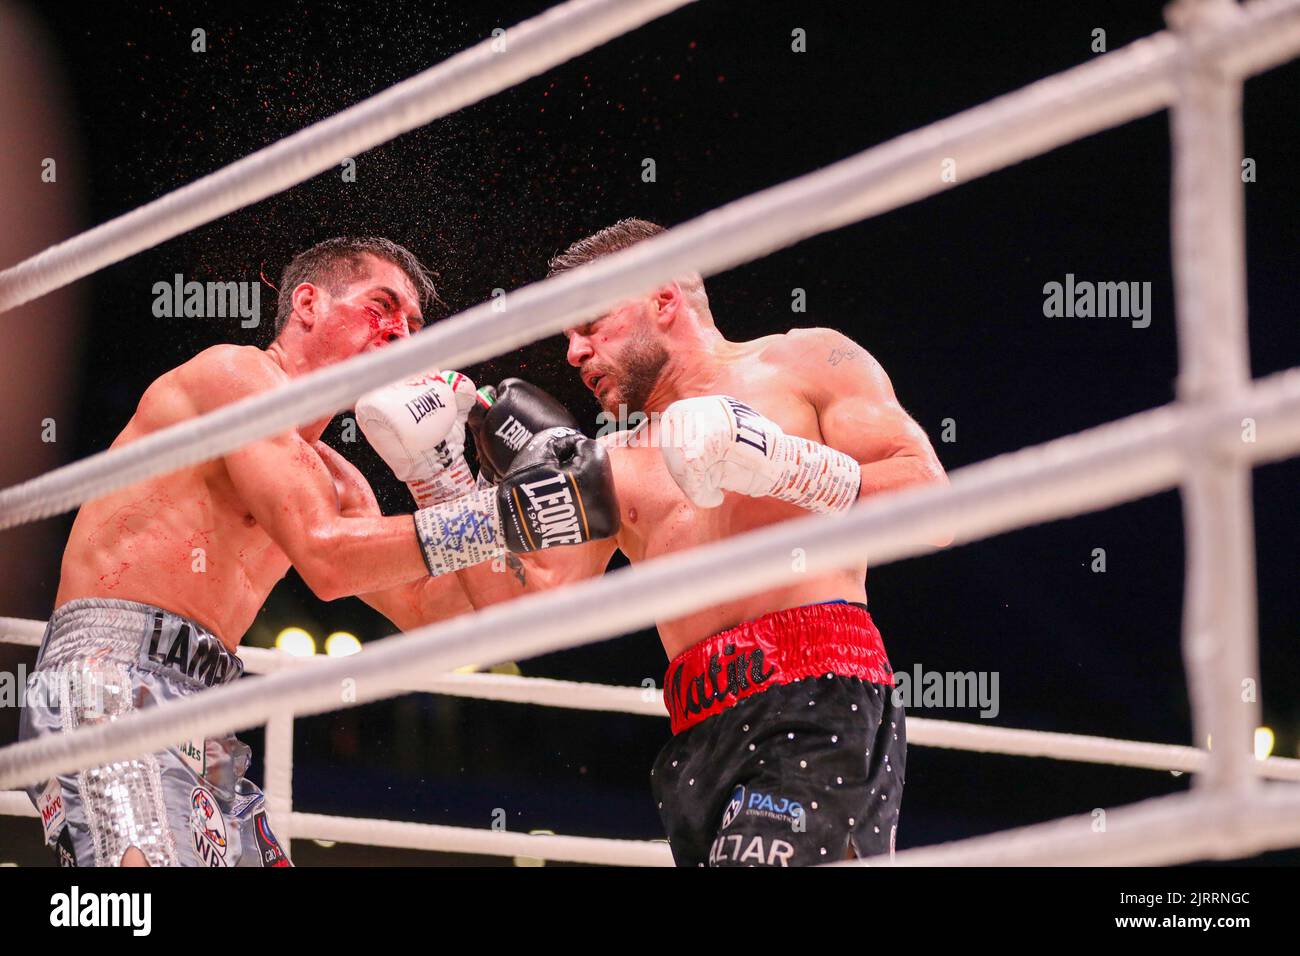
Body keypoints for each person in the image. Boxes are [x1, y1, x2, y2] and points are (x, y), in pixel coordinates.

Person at [20, 236, 618, 867]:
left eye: (415, 326)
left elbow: (443, 615)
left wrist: (441, 479)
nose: (400, 334)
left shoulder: (335, 480)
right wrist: (501, 518)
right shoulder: (234, 375)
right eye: (381, 307)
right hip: (109, 678)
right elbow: (327, 560)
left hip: (203, 708)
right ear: (306, 303)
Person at [403, 218, 951, 866]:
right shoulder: (608, 462)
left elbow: (932, 501)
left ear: (662, 297)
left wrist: (786, 465)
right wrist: (441, 479)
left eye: (589, 323)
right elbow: (520, 612)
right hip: (697, 733)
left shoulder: (804, 361)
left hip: (817, 693)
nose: (574, 352)